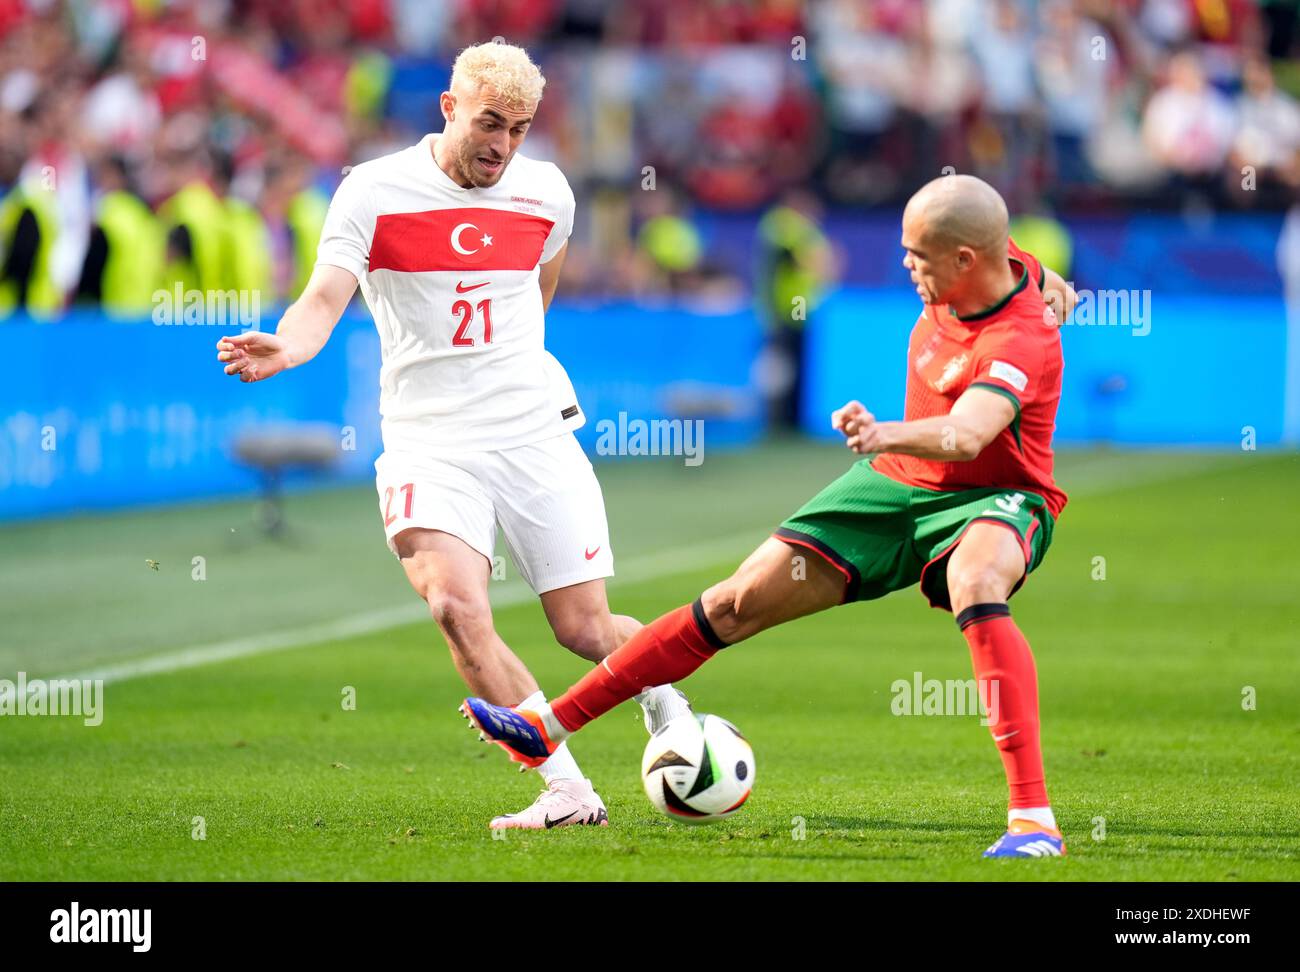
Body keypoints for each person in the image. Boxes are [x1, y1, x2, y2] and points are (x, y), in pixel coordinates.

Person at [463, 175, 1081, 858]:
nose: (906, 264)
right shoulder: (1000, 259)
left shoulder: (1022, 339)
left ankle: (1033, 822)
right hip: (895, 484)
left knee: (977, 580)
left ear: (967, 259)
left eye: (919, 256)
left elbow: (968, 435)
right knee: (731, 603)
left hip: (994, 495)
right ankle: (549, 726)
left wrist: (884, 434)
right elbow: (1026, 265)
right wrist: (1054, 278)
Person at [215, 42, 689, 829]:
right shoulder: (372, 191)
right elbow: (325, 295)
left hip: (531, 430)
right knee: (456, 609)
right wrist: (292, 345)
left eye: (521, 128)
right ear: (449, 107)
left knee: (584, 629)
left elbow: (540, 289)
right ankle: (567, 790)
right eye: (489, 122)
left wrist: (516, 365)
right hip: (428, 440)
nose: (502, 144)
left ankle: (665, 699)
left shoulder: (547, 194)